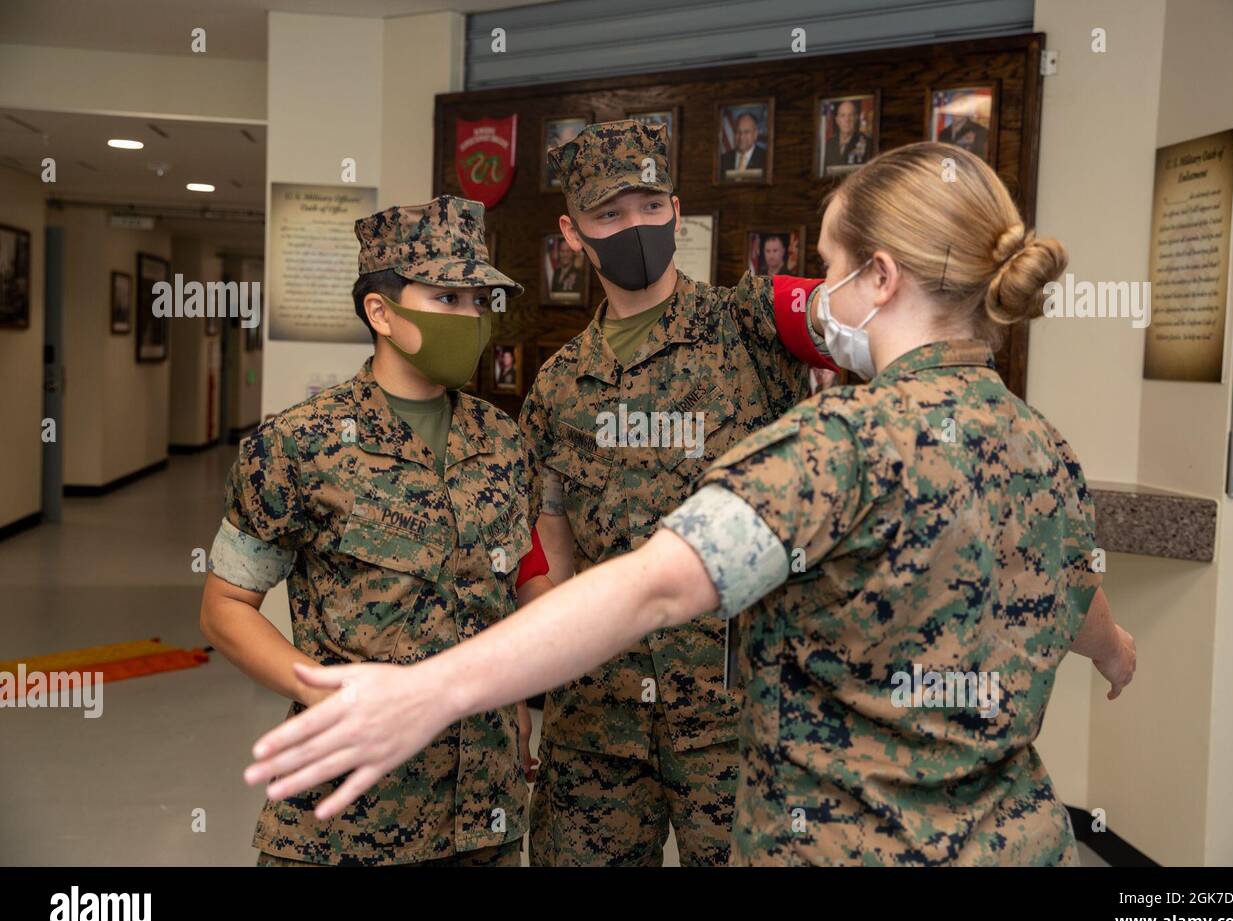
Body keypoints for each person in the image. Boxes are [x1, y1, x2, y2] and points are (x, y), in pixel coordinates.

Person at [245, 143, 1138, 867]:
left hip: (800, 798)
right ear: (574, 233)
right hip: (1003, 835)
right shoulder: (1040, 442)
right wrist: (1113, 647)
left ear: (879, 277)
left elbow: (659, 586)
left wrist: (434, 692)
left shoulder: (834, 431)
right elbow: (1065, 586)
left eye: (829, 268)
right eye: (609, 213)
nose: (816, 293)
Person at [518, 118, 837, 866]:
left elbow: (862, 309)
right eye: (610, 215)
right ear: (573, 233)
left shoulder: (749, 326)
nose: (636, 227)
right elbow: (551, 555)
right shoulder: (561, 386)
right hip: (596, 725)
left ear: (677, 209)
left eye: (652, 206)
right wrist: (523, 693)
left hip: (737, 725)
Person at [201, 195, 549, 866]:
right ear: (381, 312)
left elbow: (517, 584)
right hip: (346, 817)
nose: (471, 318)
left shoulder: (503, 441)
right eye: (447, 299)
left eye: (478, 301)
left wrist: (524, 699)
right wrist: (321, 693)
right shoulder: (298, 444)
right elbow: (224, 608)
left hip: (486, 814)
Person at [823, 99, 870, 170]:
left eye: (850, 115)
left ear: (856, 118)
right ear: (837, 120)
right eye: (843, 115)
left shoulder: (868, 143)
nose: (847, 120)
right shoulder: (828, 145)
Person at [721, 111, 767, 178]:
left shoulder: (765, 158)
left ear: (755, 134)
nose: (741, 137)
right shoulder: (723, 160)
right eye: (738, 132)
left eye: (746, 132)